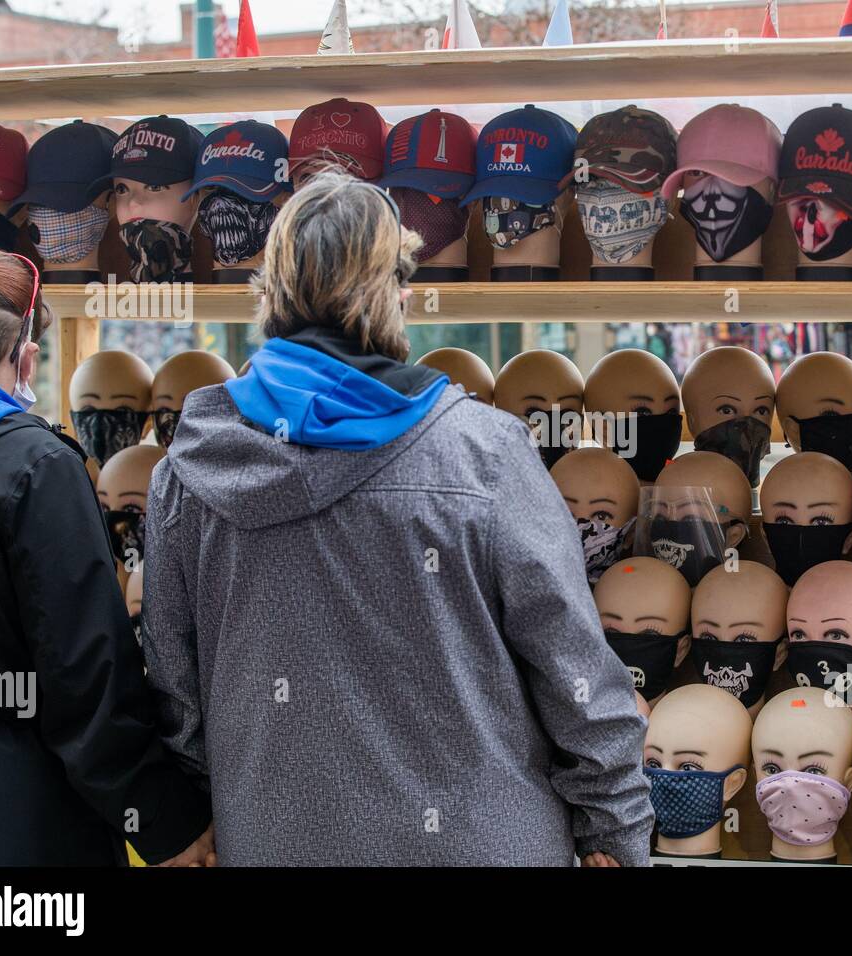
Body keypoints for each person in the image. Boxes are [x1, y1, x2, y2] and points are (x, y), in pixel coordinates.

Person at [141, 170, 652, 866]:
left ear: (270, 293)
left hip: (276, 840)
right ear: (396, 295)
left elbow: (174, 697)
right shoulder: (485, 455)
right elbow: (577, 679)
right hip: (482, 843)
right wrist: (617, 832)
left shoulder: (188, 473)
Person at [0, 249, 214, 866]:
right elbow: (86, 681)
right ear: (24, 357)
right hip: (15, 830)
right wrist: (169, 823)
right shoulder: (35, 469)